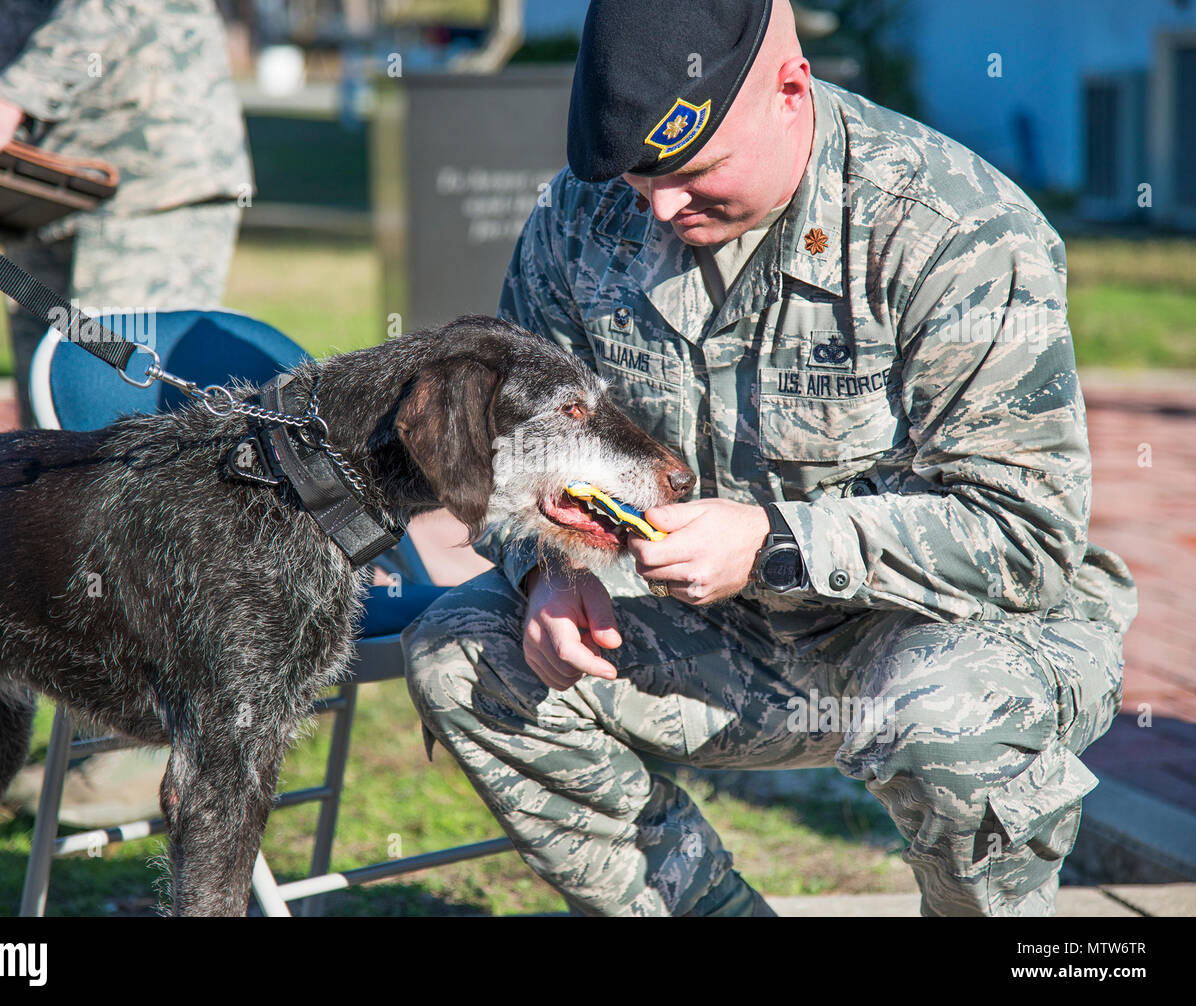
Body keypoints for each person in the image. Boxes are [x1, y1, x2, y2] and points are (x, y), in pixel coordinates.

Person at [403, 0, 1139, 916]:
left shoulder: (956, 231)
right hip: (728, 642)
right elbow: (513, 455)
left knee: (950, 720)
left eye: (696, 172)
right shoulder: (580, 217)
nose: (663, 210)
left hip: (942, 627)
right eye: (640, 181)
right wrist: (549, 573)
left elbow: (1025, 533)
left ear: (792, 88)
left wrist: (772, 541)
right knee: (458, 651)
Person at [0, 0, 253, 424]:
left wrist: (9, 100)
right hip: (40, 187)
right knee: (48, 422)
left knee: (120, 419)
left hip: (151, 183)